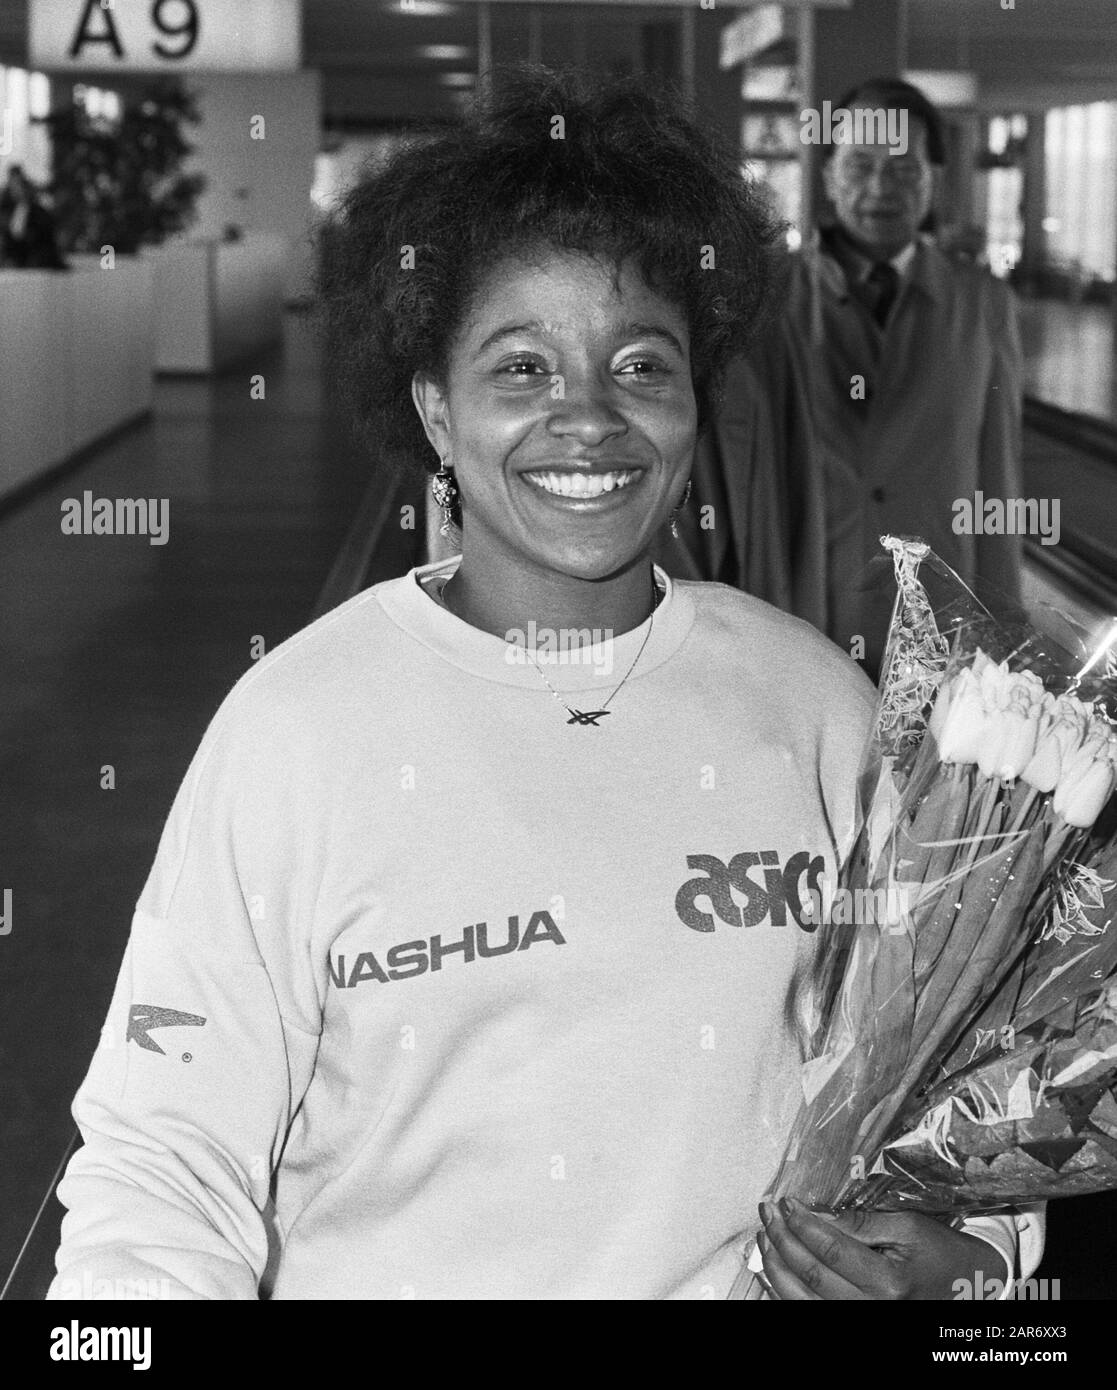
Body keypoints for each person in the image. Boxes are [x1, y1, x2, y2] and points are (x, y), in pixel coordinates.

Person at [49, 67, 1037, 1301]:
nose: (588, 417)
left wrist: (978, 1271)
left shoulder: (814, 707)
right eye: (519, 370)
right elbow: (162, 1169)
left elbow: (946, 1085)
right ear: (433, 410)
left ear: (693, 401)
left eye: (641, 366)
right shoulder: (296, 730)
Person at [675, 79, 1024, 681]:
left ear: (934, 181)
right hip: (801, 617)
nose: (880, 188)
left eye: (903, 168)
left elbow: (998, 483)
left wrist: (1006, 641)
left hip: (938, 628)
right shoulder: (763, 297)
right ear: (829, 176)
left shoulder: (982, 303)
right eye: (860, 165)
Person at [0, 164, 65, 269]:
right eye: (12, 186)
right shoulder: (7, 209)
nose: (15, 190)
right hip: (15, 260)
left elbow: (43, 238)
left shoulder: (38, 212)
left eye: (18, 186)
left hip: (36, 261)